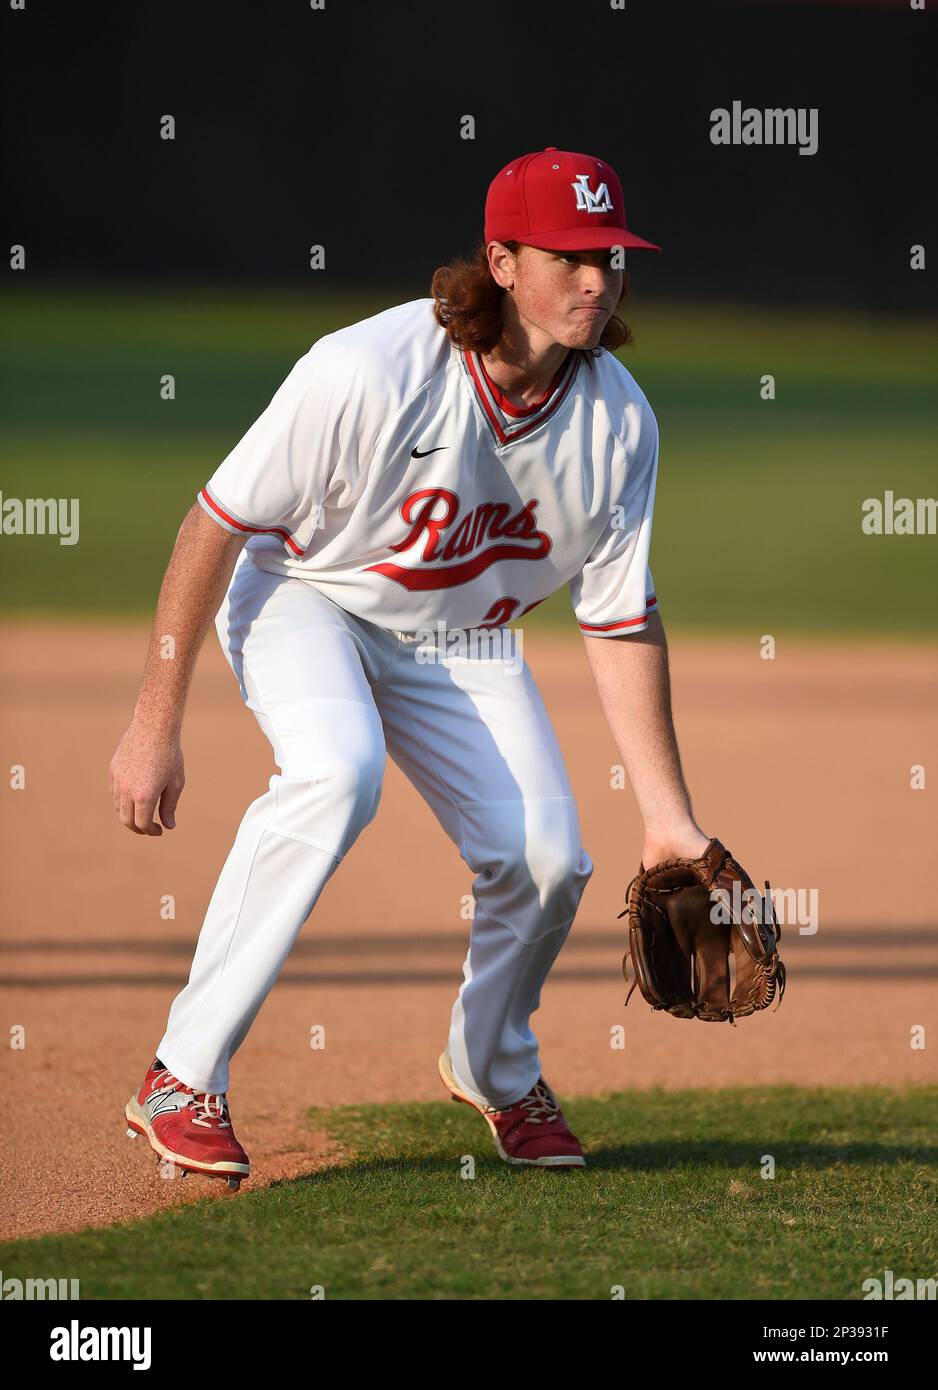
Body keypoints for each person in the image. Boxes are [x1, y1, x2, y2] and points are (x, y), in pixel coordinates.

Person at [110, 146, 710, 1185]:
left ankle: (493, 1066)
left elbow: (617, 621)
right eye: (565, 255)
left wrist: (667, 820)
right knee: (335, 773)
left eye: (609, 254)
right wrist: (153, 720)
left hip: (462, 639)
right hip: (309, 596)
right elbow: (212, 524)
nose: (594, 279)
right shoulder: (368, 370)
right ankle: (180, 1072)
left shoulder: (618, 422)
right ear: (500, 261)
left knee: (547, 860)